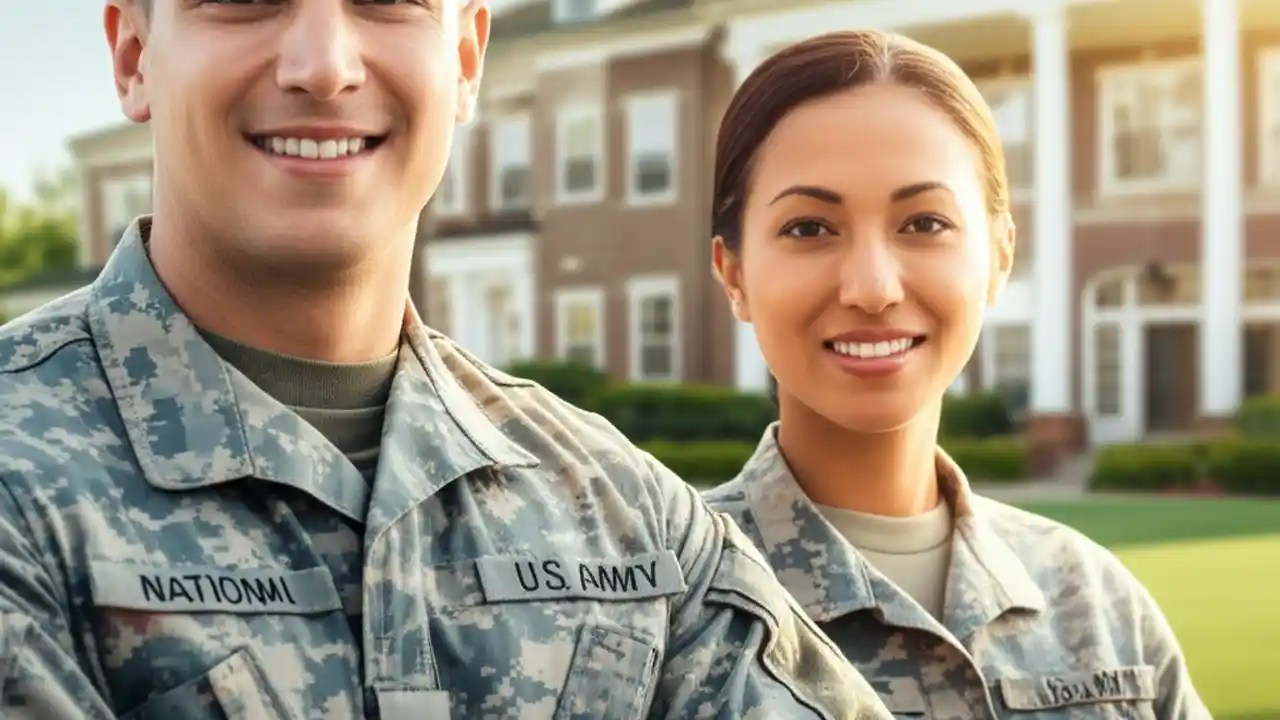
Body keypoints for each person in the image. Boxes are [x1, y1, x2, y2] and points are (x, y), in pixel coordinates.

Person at [0, 2, 893, 718]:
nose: (323, 64)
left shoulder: (627, 514)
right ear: (133, 56)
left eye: (388, 2)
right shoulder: (18, 479)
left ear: (465, 57)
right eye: (246, 2)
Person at [702, 29, 1211, 719]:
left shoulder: (1097, 608)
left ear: (1001, 255)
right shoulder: (671, 610)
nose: (873, 288)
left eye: (925, 222)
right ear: (733, 273)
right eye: (809, 229)